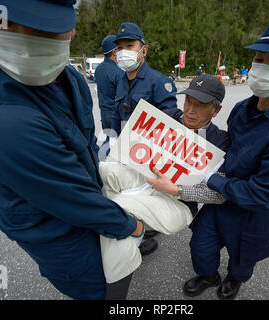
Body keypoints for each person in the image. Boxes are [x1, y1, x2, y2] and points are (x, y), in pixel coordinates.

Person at [0, 0, 144, 300]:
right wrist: (133, 225)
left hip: (93, 207)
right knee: (100, 289)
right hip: (62, 237)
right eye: (4, 21)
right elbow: (71, 198)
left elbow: (86, 144)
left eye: (46, 28)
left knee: (117, 270)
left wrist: (102, 172)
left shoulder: (68, 78)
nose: (22, 34)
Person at [163, 2, 269, 300]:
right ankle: (208, 275)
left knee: (243, 261)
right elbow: (228, 151)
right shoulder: (244, 108)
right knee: (200, 246)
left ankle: (233, 280)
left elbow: (265, 195)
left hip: (253, 214)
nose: (264, 69)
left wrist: (210, 178)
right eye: (259, 58)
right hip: (219, 205)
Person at [100, 74, 230, 284]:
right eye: (188, 100)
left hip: (177, 203)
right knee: (103, 170)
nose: (189, 110)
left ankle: (113, 281)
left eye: (200, 105)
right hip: (144, 181)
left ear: (216, 110)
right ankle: (129, 235)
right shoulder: (167, 116)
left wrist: (177, 189)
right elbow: (130, 148)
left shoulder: (220, 142)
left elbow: (219, 195)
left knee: (115, 209)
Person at [111, 22, 179, 255]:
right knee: (129, 193)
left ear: (144, 50)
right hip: (126, 151)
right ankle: (138, 227)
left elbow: (170, 124)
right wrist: (113, 144)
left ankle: (148, 228)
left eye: (130, 45)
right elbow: (115, 114)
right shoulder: (121, 80)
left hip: (150, 154)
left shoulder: (159, 81)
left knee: (149, 192)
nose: (124, 52)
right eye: (119, 48)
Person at [94, 35, 124, 144]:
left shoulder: (98, 69)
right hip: (114, 114)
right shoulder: (118, 72)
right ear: (115, 52)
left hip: (104, 113)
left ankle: (101, 159)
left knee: (108, 141)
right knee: (118, 145)